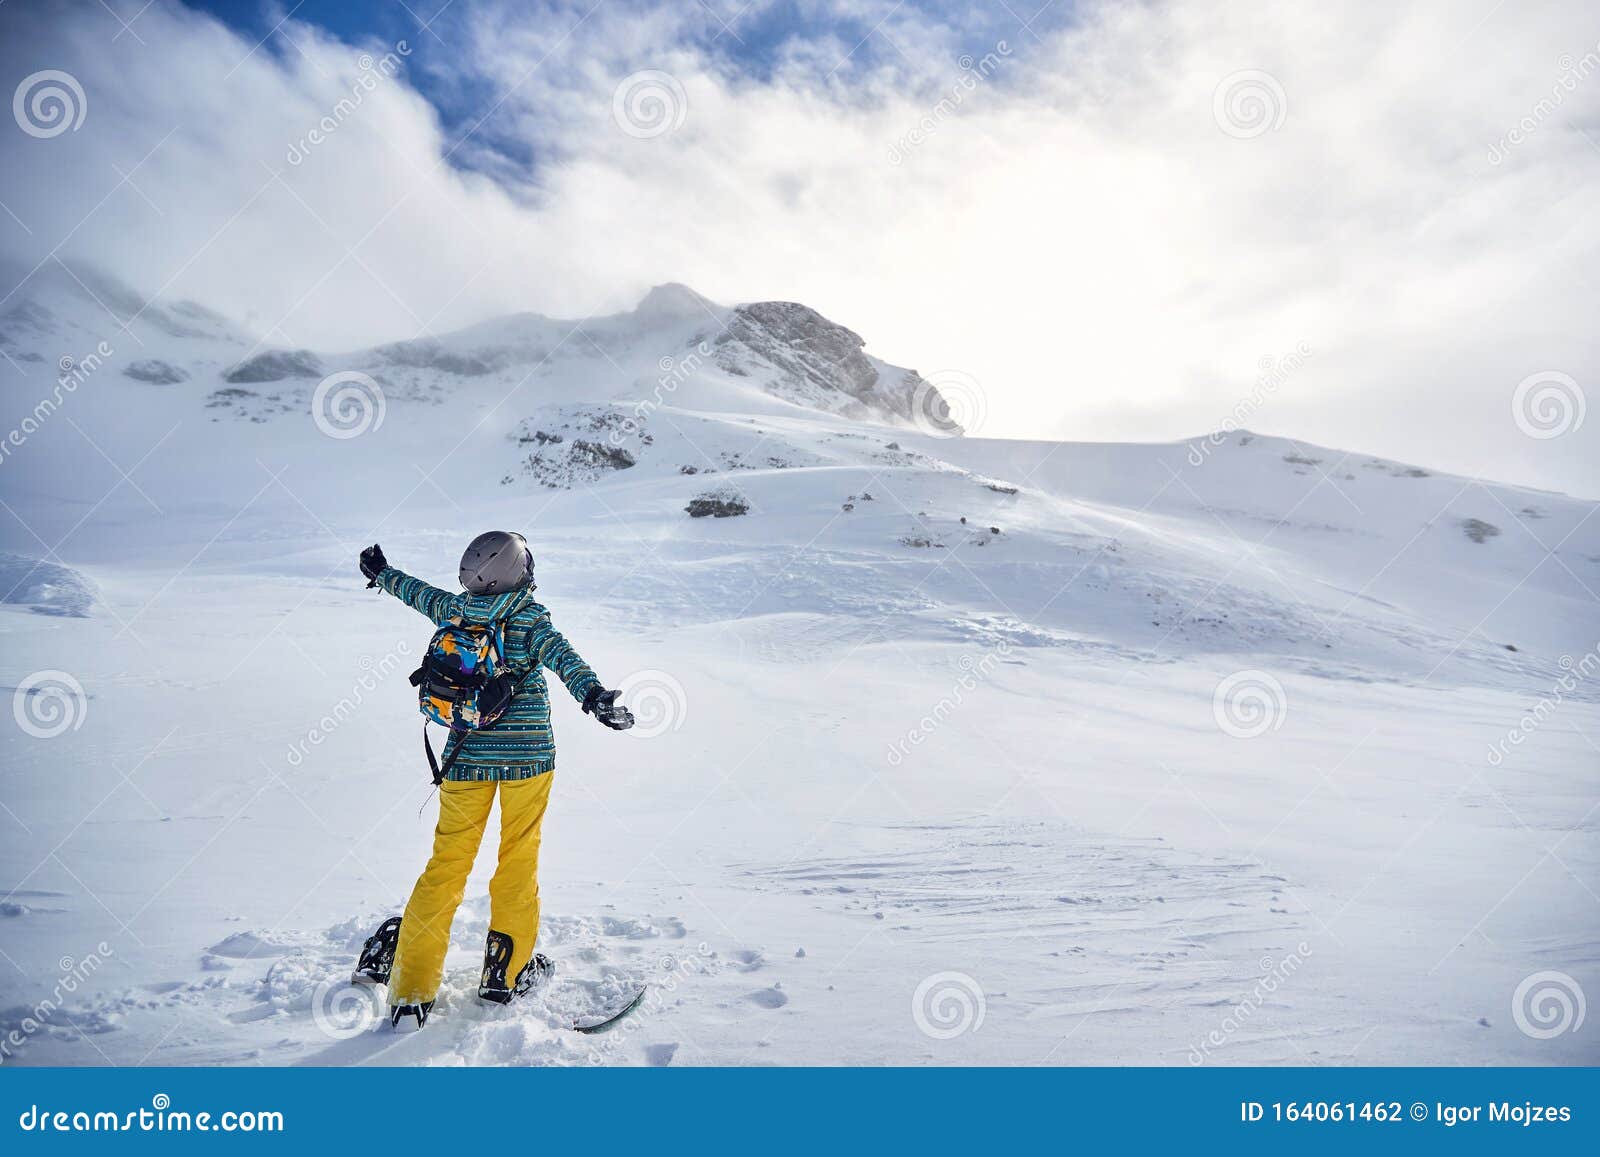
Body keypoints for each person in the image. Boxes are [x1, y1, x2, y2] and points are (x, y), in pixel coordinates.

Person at [353, 531, 634, 1028]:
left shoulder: (455, 609)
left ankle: (413, 991)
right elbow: (565, 660)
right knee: (517, 863)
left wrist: (381, 574)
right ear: (518, 570)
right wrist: (596, 698)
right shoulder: (529, 617)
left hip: (465, 759)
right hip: (528, 761)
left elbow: (416, 592)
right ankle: (505, 975)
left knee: (446, 867)